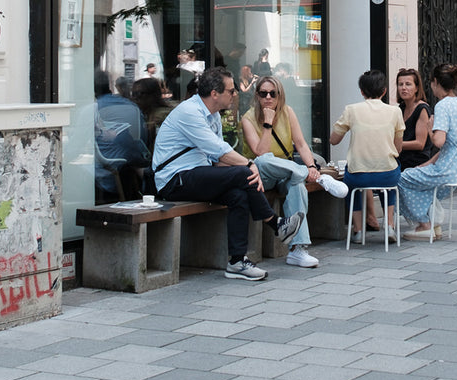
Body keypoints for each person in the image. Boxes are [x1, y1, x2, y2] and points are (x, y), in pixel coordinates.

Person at [152, 66, 304, 280]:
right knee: (243, 173)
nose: (235, 94)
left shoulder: (212, 115)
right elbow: (220, 151)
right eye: (231, 91)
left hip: (198, 174)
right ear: (215, 94)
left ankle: (237, 262)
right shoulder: (189, 112)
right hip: (174, 180)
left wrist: (244, 169)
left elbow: (218, 159)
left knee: (238, 194)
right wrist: (249, 165)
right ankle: (275, 224)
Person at [242, 75, 348, 268]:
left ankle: (298, 249)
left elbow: (300, 144)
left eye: (272, 93)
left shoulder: (287, 112)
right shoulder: (248, 118)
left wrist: (311, 166)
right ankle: (316, 177)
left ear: (279, 95)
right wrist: (267, 123)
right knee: (264, 160)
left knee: (297, 185)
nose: (268, 97)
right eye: (263, 93)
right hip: (260, 174)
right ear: (257, 96)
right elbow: (260, 151)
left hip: (286, 170)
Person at [399, 63, 457, 240]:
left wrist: (429, 129)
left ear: (435, 82)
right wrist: (427, 164)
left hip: (448, 170)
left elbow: (439, 142)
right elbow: (453, 144)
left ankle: (424, 225)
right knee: (418, 177)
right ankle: (435, 224)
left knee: (402, 178)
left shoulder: (442, 106)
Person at [329, 69, 404, 240]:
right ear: (384, 91)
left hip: (359, 175)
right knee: (391, 181)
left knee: (350, 184)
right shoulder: (395, 112)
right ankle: (390, 226)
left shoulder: (351, 110)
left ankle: (358, 230)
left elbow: (333, 140)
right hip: (387, 175)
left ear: (362, 91)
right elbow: (398, 149)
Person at [93, 69, 150, 201]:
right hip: (133, 169)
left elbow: (75, 145)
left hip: (106, 174)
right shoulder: (132, 106)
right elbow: (142, 139)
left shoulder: (94, 107)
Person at [395, 67, 434, 169]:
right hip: (401, 159)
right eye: (400, 84)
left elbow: (420, 143)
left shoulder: (422, 109)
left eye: (408, 84)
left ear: (417, 88)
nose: (403, 88)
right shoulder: (401, 108)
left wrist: (395, 144)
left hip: (417, 163)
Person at [131, 75, 172, 151]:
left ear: (153, 95)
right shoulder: (142, 114)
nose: (135, 98)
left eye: (139, 94)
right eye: (133, 94)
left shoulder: (160, 116)